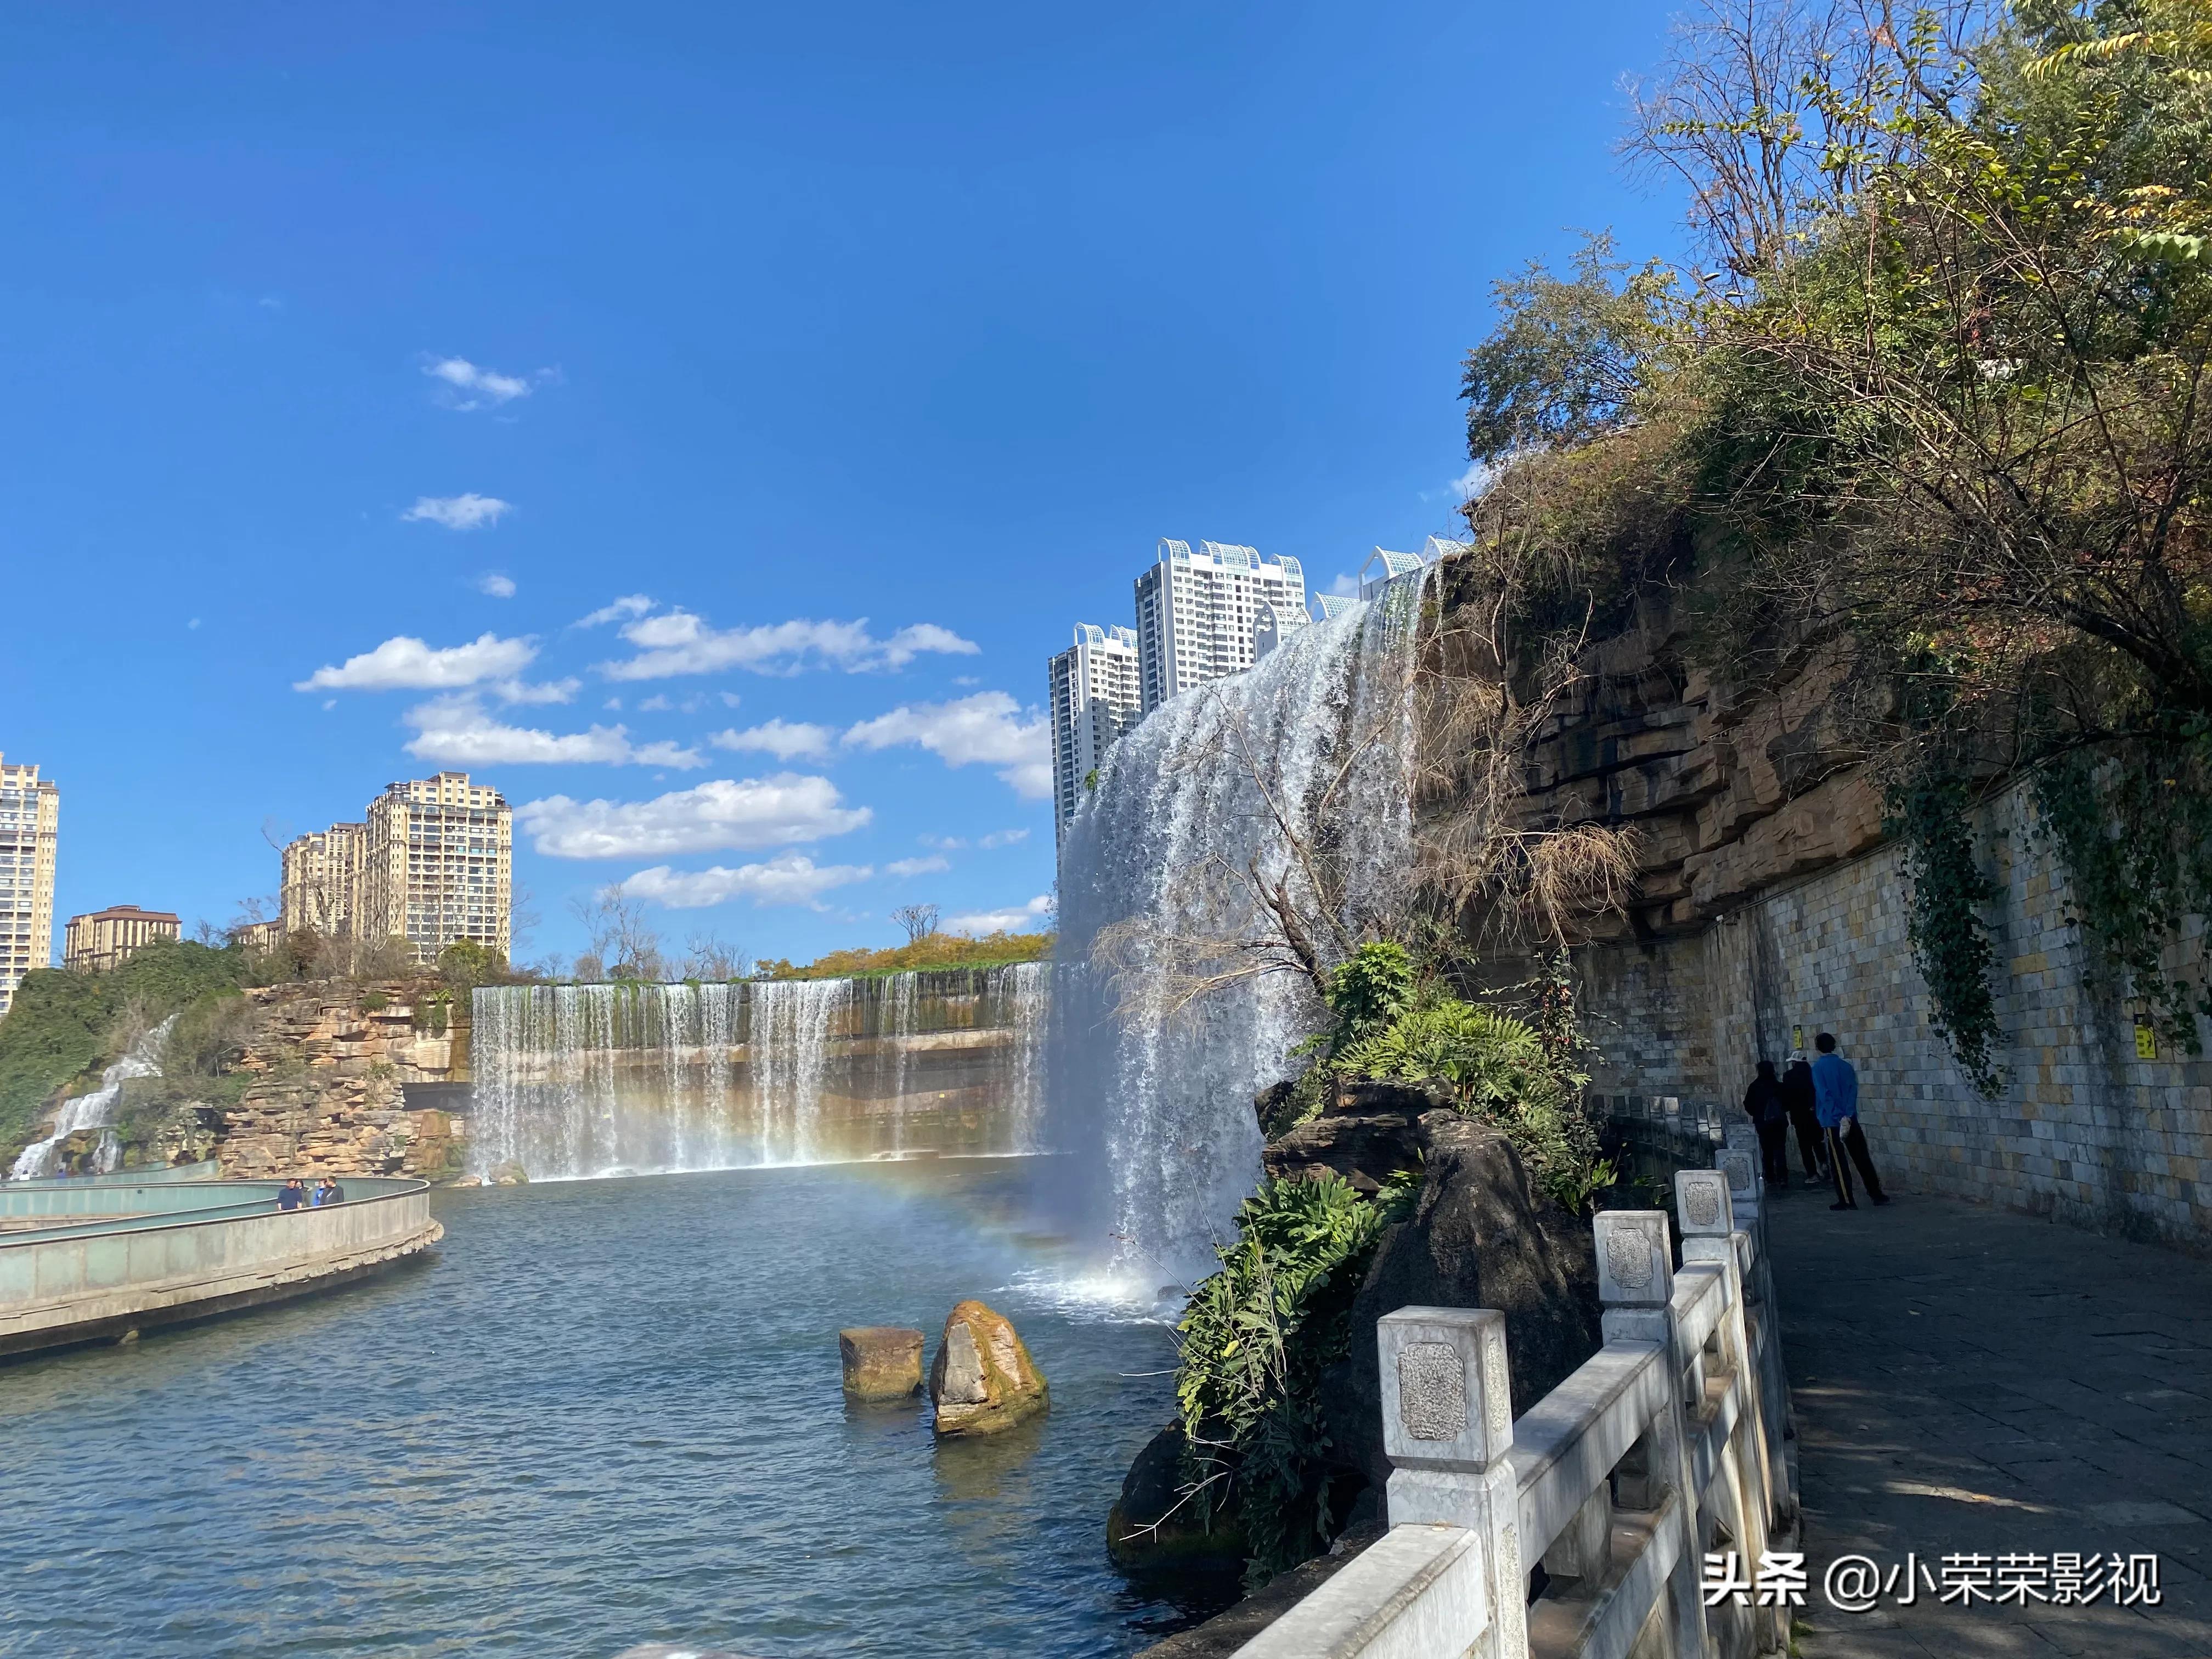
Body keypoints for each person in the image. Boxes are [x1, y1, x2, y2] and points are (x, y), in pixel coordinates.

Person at [1811, 1031, 1888, 1210]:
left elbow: (1824, 1095)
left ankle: (1846, 1199)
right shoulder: (1845, 1066)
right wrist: (1848, 1114)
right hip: (1850, 1118)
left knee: (1838, 1162)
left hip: (1832, 1121)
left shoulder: (1818, 1069)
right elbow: (1852, 1091)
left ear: (1818, 1048)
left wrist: (1839, 1116)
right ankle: (1876, 1193)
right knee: (1862, 1157)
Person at [1780, 1051, 1828, 1183]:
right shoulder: (1813, 1073)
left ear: (1794, 1063)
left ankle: (1813, 1174)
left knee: (1805, 1147)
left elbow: (1787, 1097)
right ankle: (1824, 1164)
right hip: (1815, 1115)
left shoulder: (1788, 1076)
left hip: (1799, 1116)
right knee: (1818, 1142)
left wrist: (1786, 1108)